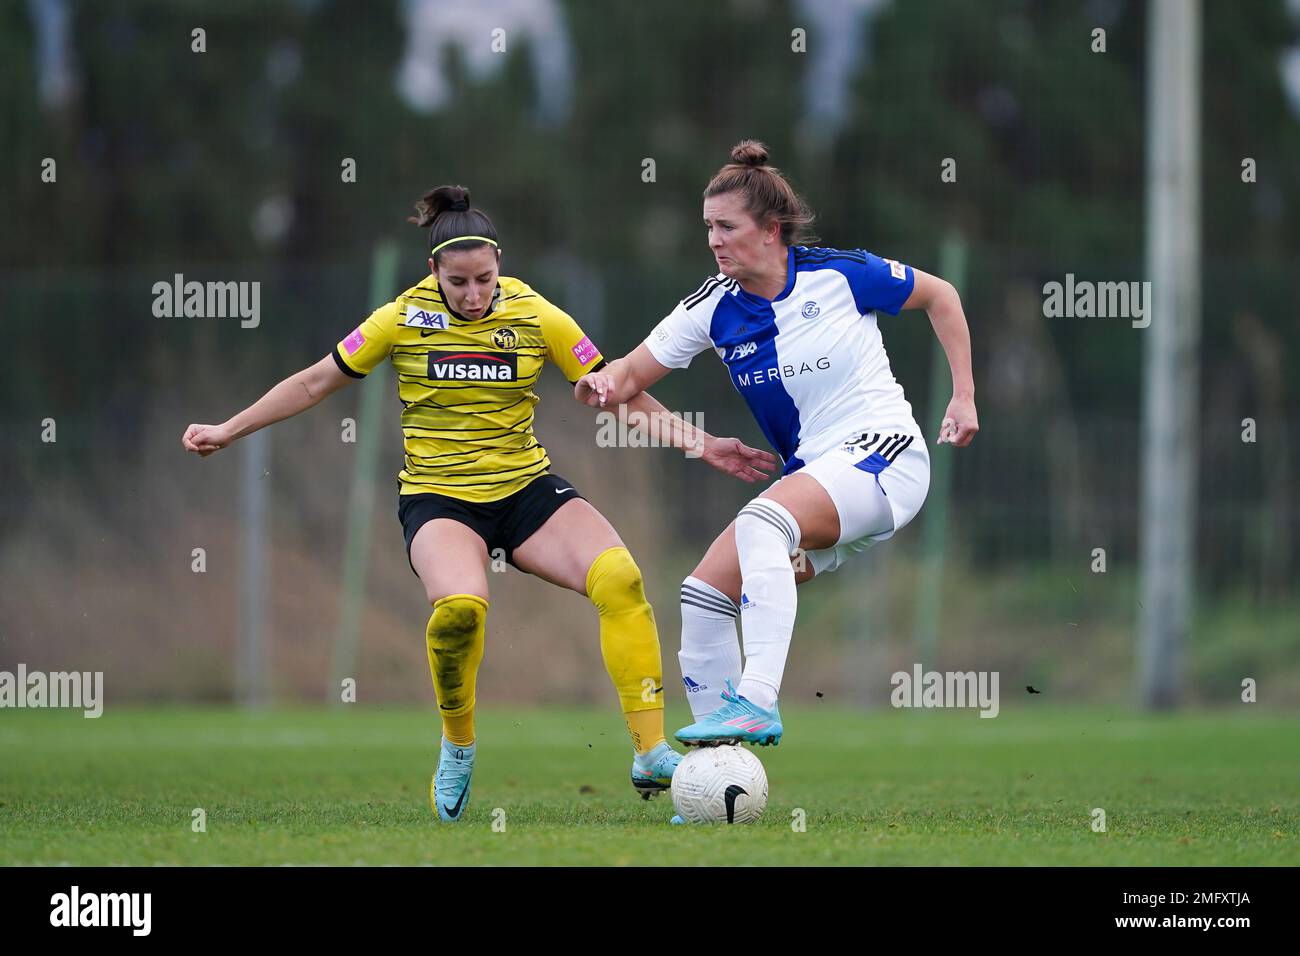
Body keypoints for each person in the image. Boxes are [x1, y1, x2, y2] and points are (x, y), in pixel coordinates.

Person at [181, 185, 773, 821]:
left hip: (525, 491)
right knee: (461, 609)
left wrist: (702, 443)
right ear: (431, 272)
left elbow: (617, 390)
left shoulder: (534, 312)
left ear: (499, 267)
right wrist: (228, 429)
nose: (473, 295)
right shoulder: (400, 319)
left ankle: (649, 748)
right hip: (439, 501)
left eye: (484, 280)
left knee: (621, 579)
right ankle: (458, 744)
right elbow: (313, 381)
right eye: (458, 282)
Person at [576, 140, 978, 748]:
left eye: (726, 227)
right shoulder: (711, 309)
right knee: (705, 593)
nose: (713, 240)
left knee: (764, 522)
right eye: (707, 226)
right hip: (818, 478)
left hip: (884, 455)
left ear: (771, 230)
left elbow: (941, 296)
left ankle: (758, 701)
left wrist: (963, 396)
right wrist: (694, 439)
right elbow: (624, 387)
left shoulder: (842, 274)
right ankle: (720, 771)